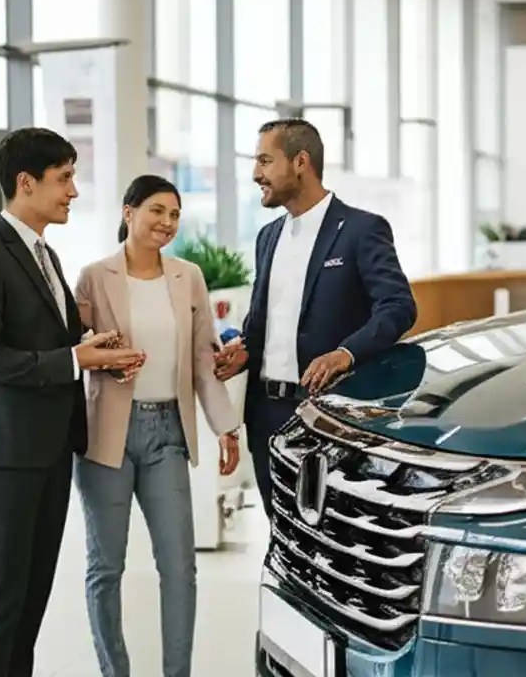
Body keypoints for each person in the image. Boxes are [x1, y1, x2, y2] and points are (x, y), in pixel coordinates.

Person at [0, 127, 143, 677]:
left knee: (32, 595)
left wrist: (89, 347)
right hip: (6, 453)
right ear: (25, 183)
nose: (73, 192)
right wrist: (75, 361)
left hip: (52, 448)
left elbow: (46, 342)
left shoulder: (46, 255)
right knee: (4, 594)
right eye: (64, 179)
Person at [73, 174, 243, 677]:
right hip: (106, 434)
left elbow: (201, 359)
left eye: (174, 215)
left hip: (168, 430)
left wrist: (225, 428)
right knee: (106, 568)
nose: (166, 223)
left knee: (180, 568)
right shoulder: (93, 277)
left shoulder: (187, 276)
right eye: (156, 211)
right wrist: (103, 358)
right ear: (128, 212)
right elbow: (78, 350)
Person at [214, 118, 417, 515]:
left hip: (327, 415)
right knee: (280, 535)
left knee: (329, 538)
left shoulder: (361, 229)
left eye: (265, 161)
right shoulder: (267, 237)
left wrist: (345, 353)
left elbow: (399, 306)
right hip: (266, 415)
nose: (257, 174)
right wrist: (245, 349)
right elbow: (265, 320)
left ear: (300, 161)